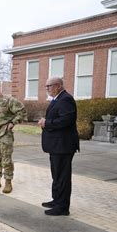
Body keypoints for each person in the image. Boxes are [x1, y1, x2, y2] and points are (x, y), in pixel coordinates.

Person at [38, 77, 79, 216]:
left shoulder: (66, 99)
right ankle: (57, 201)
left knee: (62, 177)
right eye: (46, 86)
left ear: (58, 86)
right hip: (57, 146)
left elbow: (67, 120)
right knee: (57, 175)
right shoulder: (57, 99)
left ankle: (62, 207)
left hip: (63, 146)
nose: (47, 88)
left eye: (49, 86)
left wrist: (47, 123)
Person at [0, 81, 26, 194]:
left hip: (4, 134)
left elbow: (21, 111)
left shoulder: (9, 100)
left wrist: (13, 123)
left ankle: (8, 182)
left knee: (6, 159)